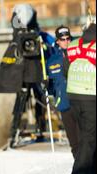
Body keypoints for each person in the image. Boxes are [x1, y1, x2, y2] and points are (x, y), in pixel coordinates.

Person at [0, 4, 55, 147]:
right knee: (24, 98)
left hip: (35, 69)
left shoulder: (39, 35)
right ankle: (16, 131)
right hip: (25, 71)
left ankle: (40, 128)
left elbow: (52, 43)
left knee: (39, 97)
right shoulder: (17, 36)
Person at [66, 23, 96, 174]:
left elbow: (66, 67)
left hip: (74, 95)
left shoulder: (74, 44)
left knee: (89, 140)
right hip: (90, 97)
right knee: (88, 142)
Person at [47, 25, 79, 160]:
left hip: (80, 102)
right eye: (63, 39)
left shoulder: (78, 53)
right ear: (58, 41)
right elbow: (51, 86)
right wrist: (47, 86)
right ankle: (80, 170)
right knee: (74, 143)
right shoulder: (52, 60)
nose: (66, 41)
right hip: (64, 104)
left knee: (86, 140)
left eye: (68, 38)